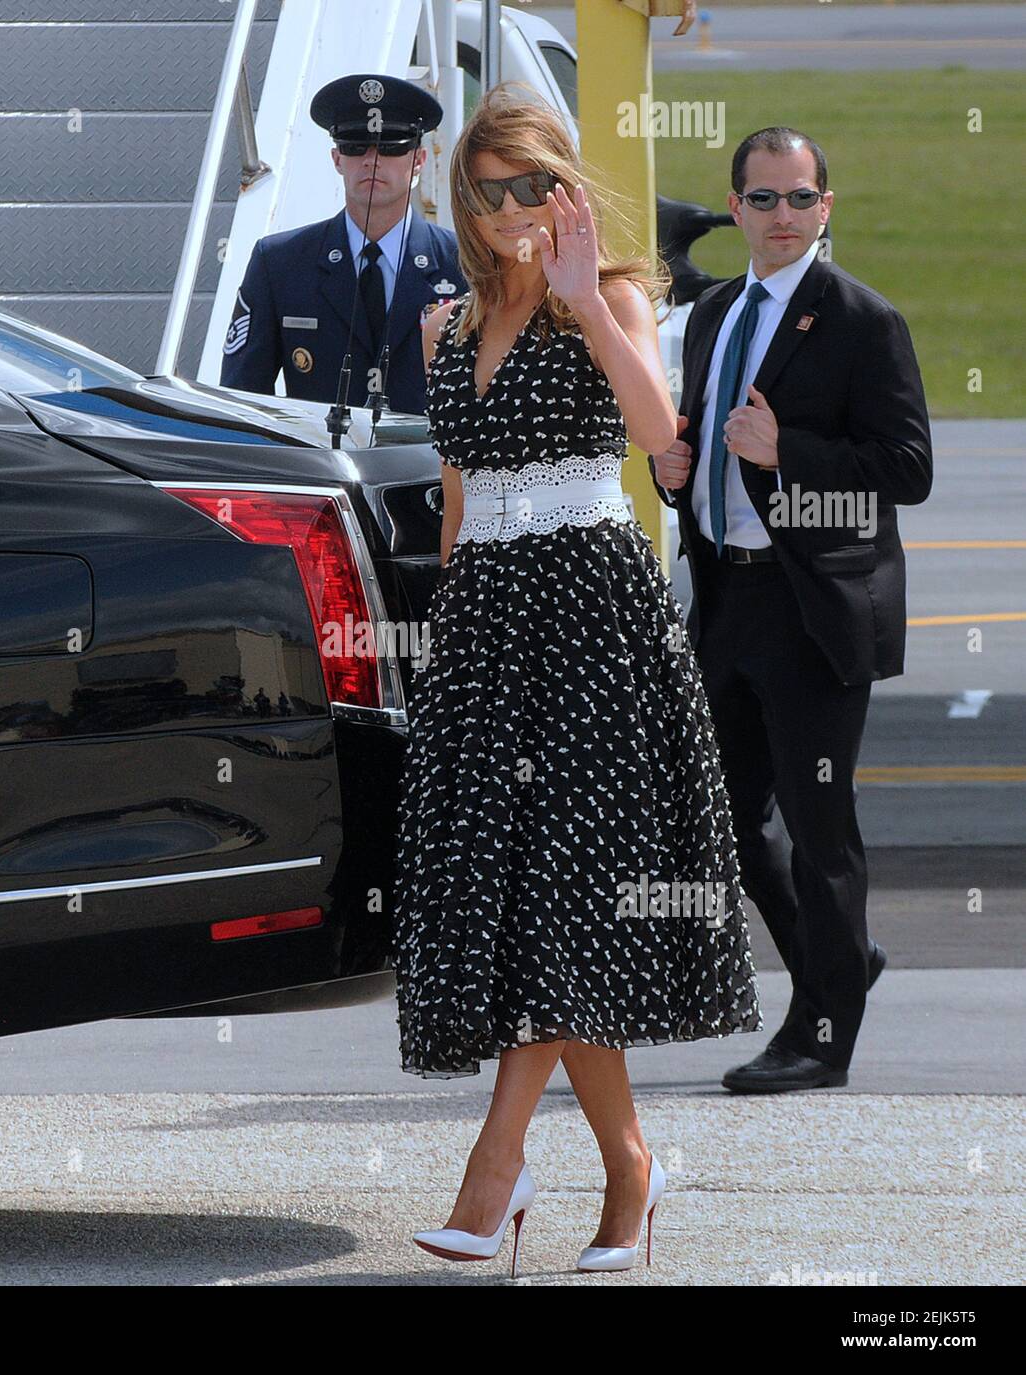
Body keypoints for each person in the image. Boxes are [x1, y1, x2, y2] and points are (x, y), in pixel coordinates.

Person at [391, 84, 762, 1279]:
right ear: (466, 198)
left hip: (595, 620)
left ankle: (495, 1172)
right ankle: (630, 1168)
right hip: (490, 629)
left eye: (534, 185)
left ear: (566, 189)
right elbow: (455, 500)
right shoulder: (441, 327)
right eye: (491, 189)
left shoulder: (611, 297)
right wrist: (442, 648)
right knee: (531, 911)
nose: (513, 208)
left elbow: (662, 436)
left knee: (566, 895)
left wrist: (585, 305)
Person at [647, 126, 933, 1094]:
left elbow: (906, 470)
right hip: (726, 593)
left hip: (813, 607)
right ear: (734, 209)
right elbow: (702, 434)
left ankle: (819, 1031)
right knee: (722, 824)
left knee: (818, 825)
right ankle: (836, 962)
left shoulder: (860, 319)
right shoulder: (718, 309)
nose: (780, 217)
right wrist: (671, 467)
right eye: (761, 200)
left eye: (798, 198)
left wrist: (787, 455)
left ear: (826, 207)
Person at [219, 73, 467, 416]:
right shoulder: (280, 263)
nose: (372, 159)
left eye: (392, 145)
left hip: (430, 466)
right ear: (337, 159)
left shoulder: (465, 264)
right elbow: (242, 401)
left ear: (419, 160)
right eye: (354, 145)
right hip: (324, 465)